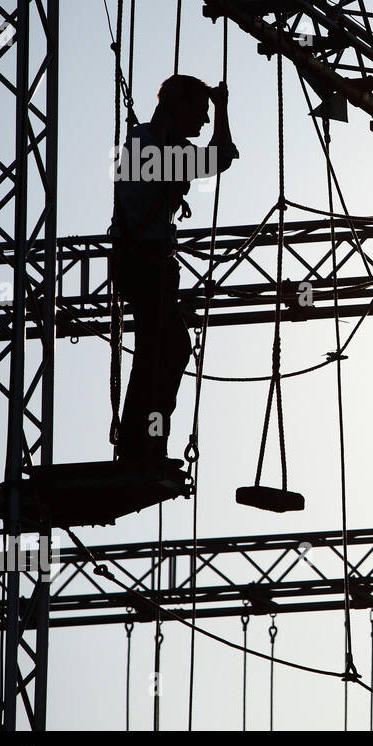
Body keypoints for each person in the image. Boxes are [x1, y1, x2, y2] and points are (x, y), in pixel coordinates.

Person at [111, 74, 237, 462]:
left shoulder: (154, 145)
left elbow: (218, 154)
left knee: (160, 349)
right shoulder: (145, 147)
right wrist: (221, 110)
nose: (201, 123)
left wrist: (219, 110)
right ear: (176, 107)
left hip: (145, 264)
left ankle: (145, 442)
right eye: (198, 113)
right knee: (164, 348)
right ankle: (141, 444)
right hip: (142, 263)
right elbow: (221, 155)